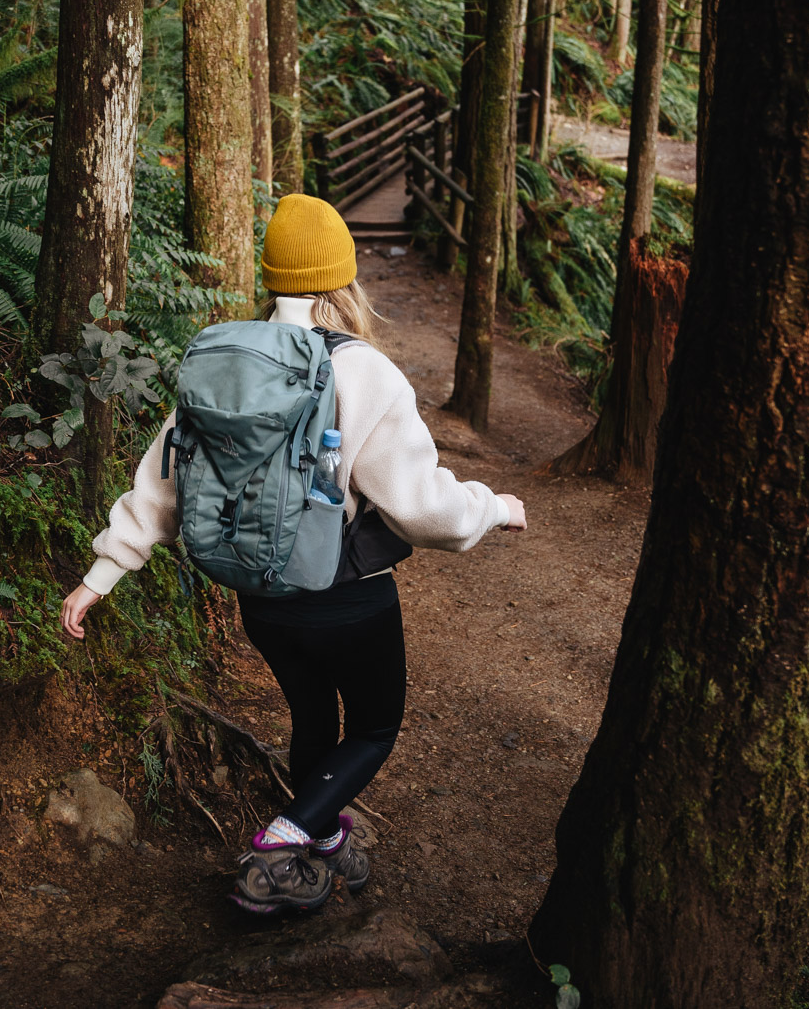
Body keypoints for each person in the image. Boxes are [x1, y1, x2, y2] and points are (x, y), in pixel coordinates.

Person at [60, 193, 527, 914]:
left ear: (270, 275)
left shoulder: (224, 358)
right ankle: (280, 845)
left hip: (260, 601)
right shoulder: (363, 371)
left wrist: (103, 572)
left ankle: (323, 840)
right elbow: (423, 510)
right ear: (345, 280)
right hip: (348, 600)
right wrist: (495, 508)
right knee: (373, 728)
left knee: (314, 724)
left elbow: (165, 477)